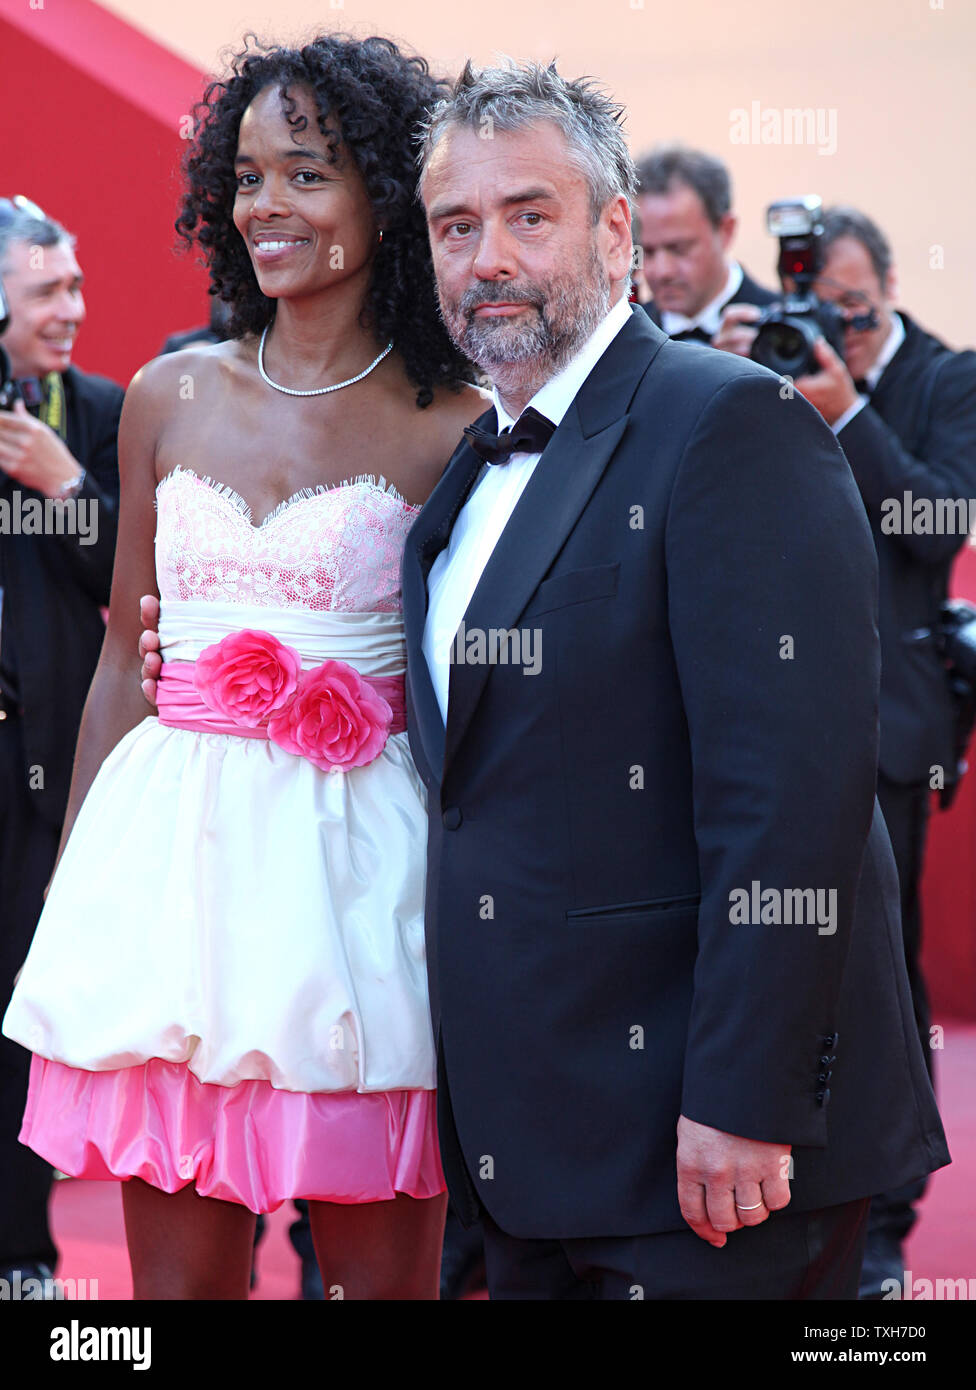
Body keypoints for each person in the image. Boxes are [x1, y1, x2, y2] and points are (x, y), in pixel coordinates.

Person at [398, 60, 949, 1299]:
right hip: (530, 1144)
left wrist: (745, 1099)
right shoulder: (459, 479)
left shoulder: (728, 422)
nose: (487, 256)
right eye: (455, 225)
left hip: (707, 1157)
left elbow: (791, 795)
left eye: (527, 215)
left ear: (612, 233)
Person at [3, 34, 483, 1301]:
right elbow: (122, 656)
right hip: (174, 871)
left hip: (366, 875)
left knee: (382, 1284)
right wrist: (79, 886)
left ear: (386, 193)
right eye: (248, 176)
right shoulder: (170, 391)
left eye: (307, 174)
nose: (266, 206)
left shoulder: (460, 421)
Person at [716, 205, 976, 1297]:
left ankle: (879, 1224)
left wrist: (849, 409)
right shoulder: (755, 359)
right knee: (767, 960)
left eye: (857, 318)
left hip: (890, 726)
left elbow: (937, 522)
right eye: (821, 319)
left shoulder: (945, 377)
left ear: (887, 294)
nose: (838, 336)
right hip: (766, 711)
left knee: (877, 970)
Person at [0, 199, 123, 1292]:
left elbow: (138, 583)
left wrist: (67, 486)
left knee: (16, 1020)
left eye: (75, 287)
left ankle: (23, 1258)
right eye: (48, 291)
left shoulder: (100, 414)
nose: (72, 311)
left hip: (40, 774)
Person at [635, 145, 776, 344]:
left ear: (726, 231)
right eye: (647, 251)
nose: (662, 271)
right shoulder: (624, 337)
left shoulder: (787, 330)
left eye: (679, 249)